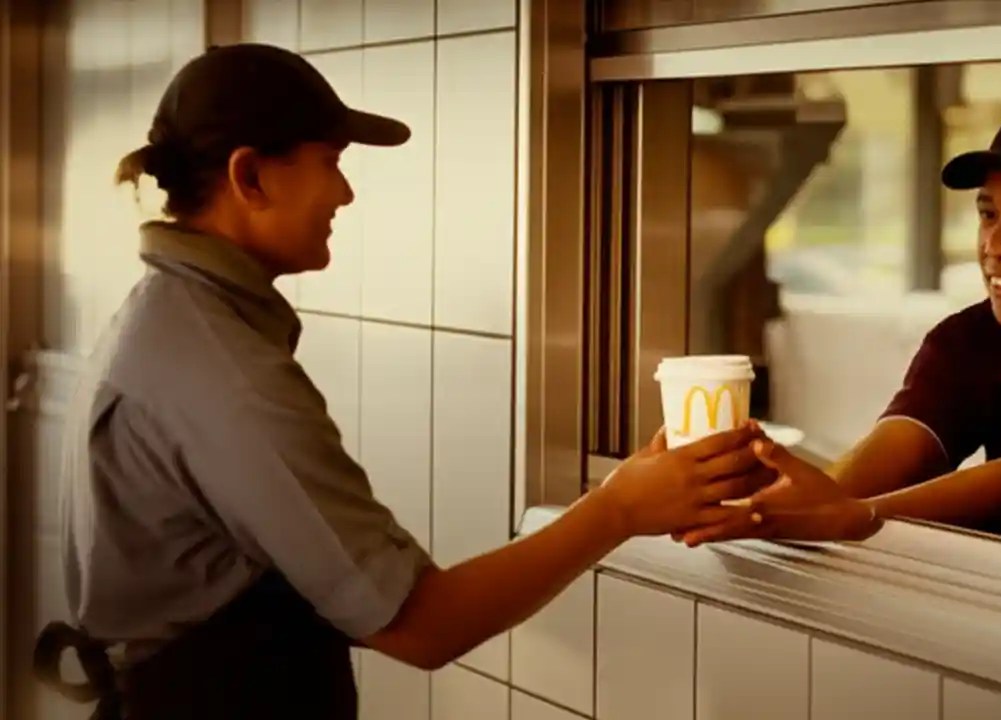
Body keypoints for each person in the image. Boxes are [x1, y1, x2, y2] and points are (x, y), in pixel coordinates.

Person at [33, 43, 764, 720]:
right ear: (249, 176)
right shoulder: (221, 369)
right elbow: (421, 625)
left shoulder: (170, 316)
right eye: (329, 160)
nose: (345, 193)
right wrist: (617, 510)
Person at [680, 98, 1001, 577]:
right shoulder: (970, 338)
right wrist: (793, 499)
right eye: (988, 214)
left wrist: (851, 515)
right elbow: (896, 452)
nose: (997, 243)